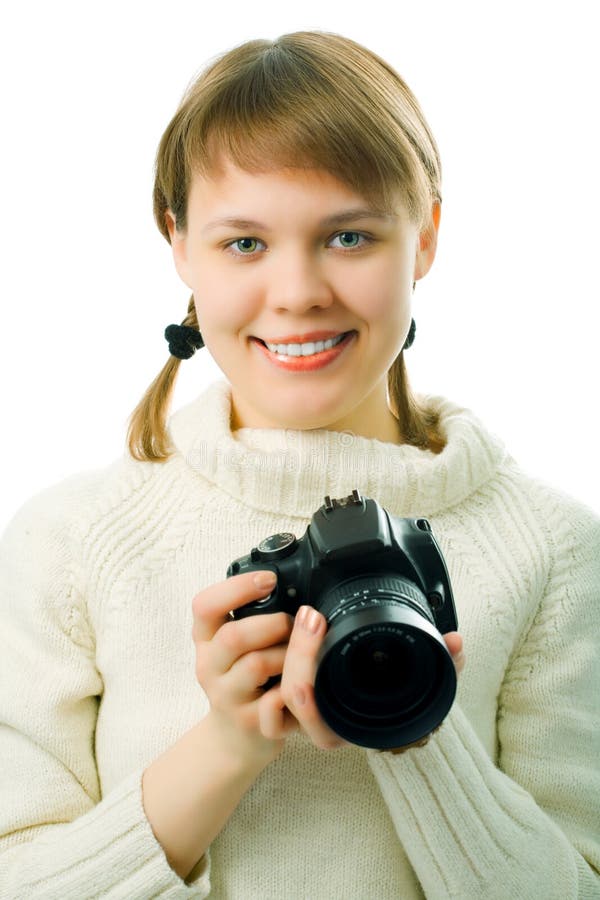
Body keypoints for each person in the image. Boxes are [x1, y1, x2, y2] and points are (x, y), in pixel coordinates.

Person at [0, 30, 598, 900]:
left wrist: (411, 713)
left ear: (425, 237)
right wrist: (228, 743)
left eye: (348, 236)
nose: (298, 293)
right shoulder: (70, 542)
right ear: (179, 243)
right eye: (244, 243)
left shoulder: (552, 548)